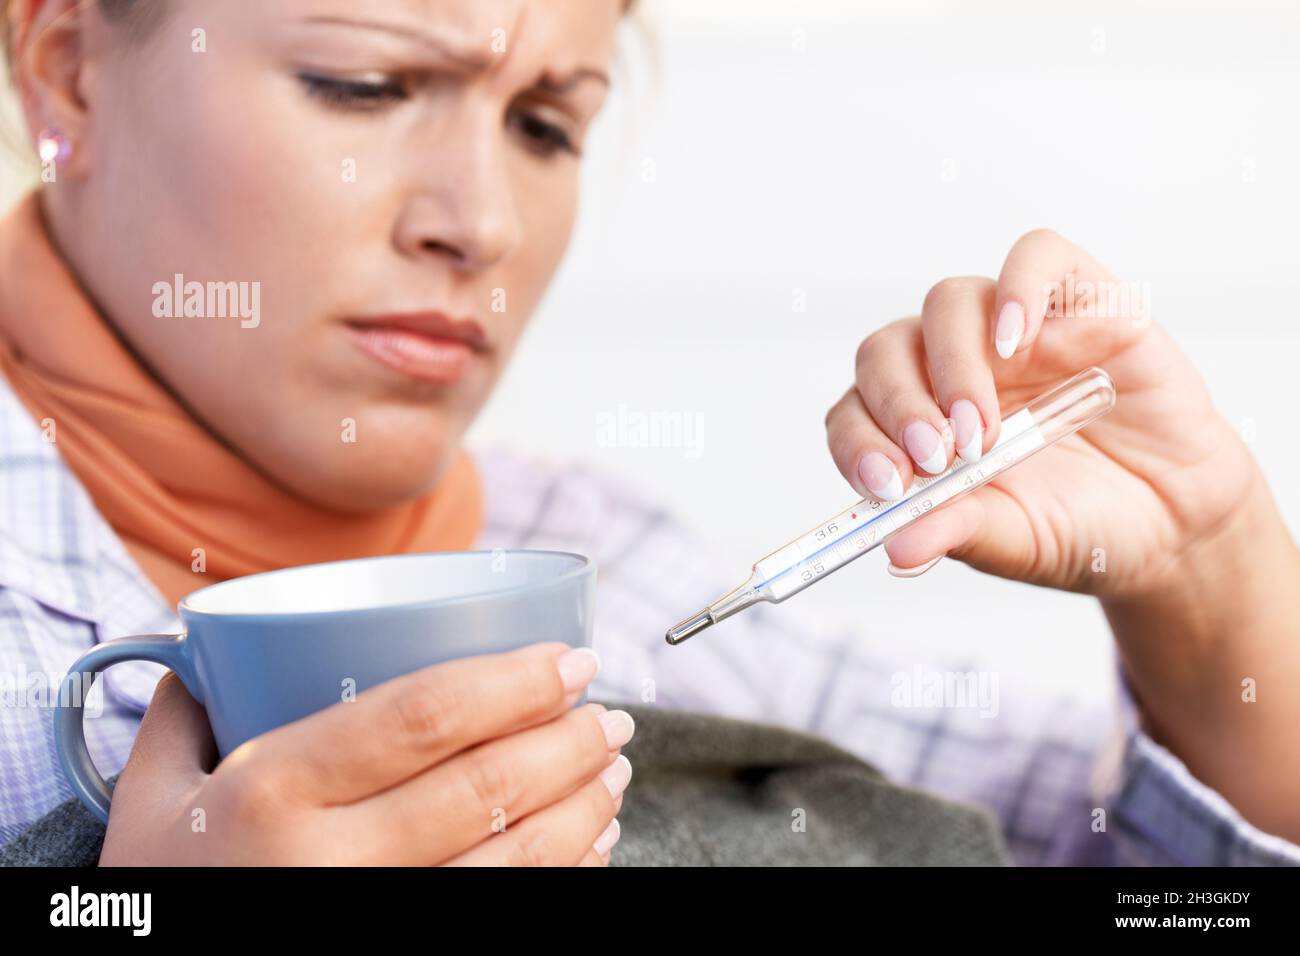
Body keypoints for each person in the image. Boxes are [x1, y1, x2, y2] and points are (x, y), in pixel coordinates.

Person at [0, 0, 1296, 866]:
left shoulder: (601, 564)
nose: (484, 223)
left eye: (546, 124)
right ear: (66, 73)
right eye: (367, 83)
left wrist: (1213, 567)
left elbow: (1141, 862)